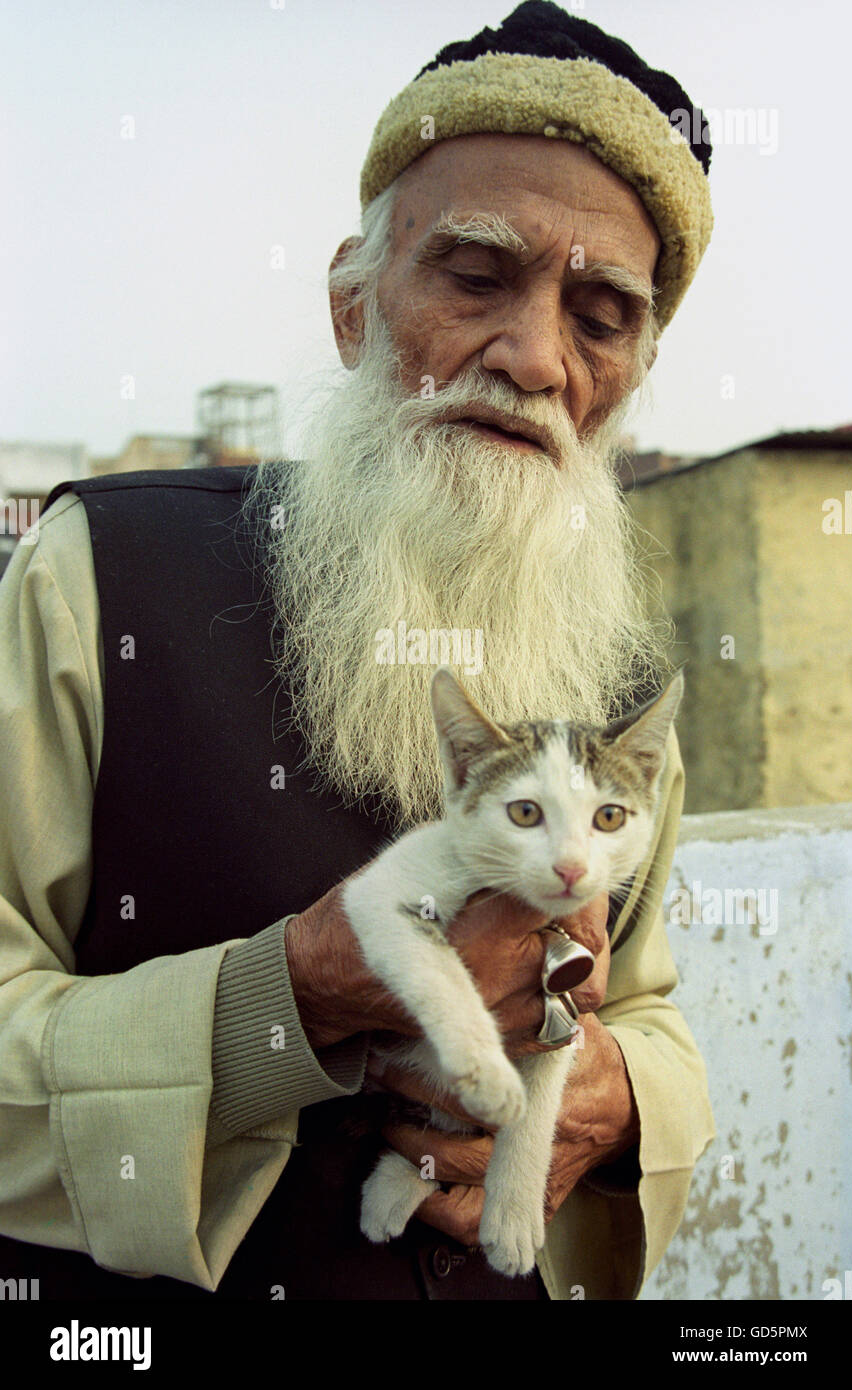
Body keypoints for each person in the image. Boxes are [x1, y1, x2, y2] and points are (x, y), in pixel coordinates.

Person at [0, 1, 715, 1300]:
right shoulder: (97, 581)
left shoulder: (616, 693)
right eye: (475, 273)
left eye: (601, 312)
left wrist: (619, 1099)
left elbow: (651, 1008)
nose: (532, 356)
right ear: (351, 302)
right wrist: (289, 1002)